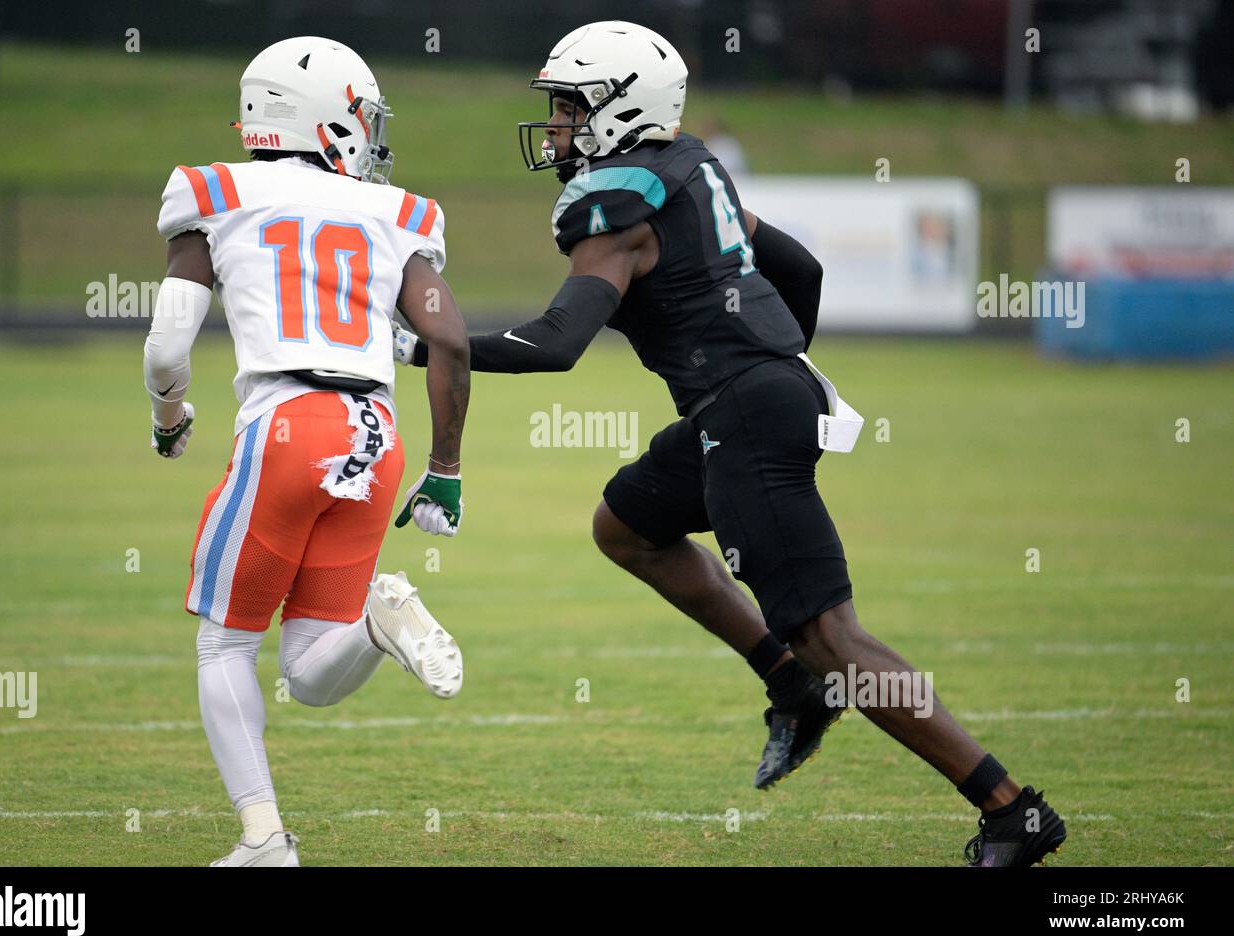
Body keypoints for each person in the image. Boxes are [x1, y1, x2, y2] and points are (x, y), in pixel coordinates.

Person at [393, 21, 1064, 866]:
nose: (556, 126)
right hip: (751, 401)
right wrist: (774, 373)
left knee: (835, 638)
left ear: (619, 108)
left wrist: (423, 344)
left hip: (742, 411)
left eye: (569, 107)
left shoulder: (616, 209)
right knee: (626, 524)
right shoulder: (693, 167)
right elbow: (804, 269)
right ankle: (790, 682)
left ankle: (1012, 809)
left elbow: (558, 343)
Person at [144, 36, 471, 866]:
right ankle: (377, 620)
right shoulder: (400, 212)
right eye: (363, 114)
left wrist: (168, 414)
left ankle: (263, 839)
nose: (370, 130)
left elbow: (166, 345)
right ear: (325, 119)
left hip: (287, 428)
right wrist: (446, 470)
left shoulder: (213, 191)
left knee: (225, 644)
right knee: (310, 670)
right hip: (378, 435)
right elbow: (447, 342)